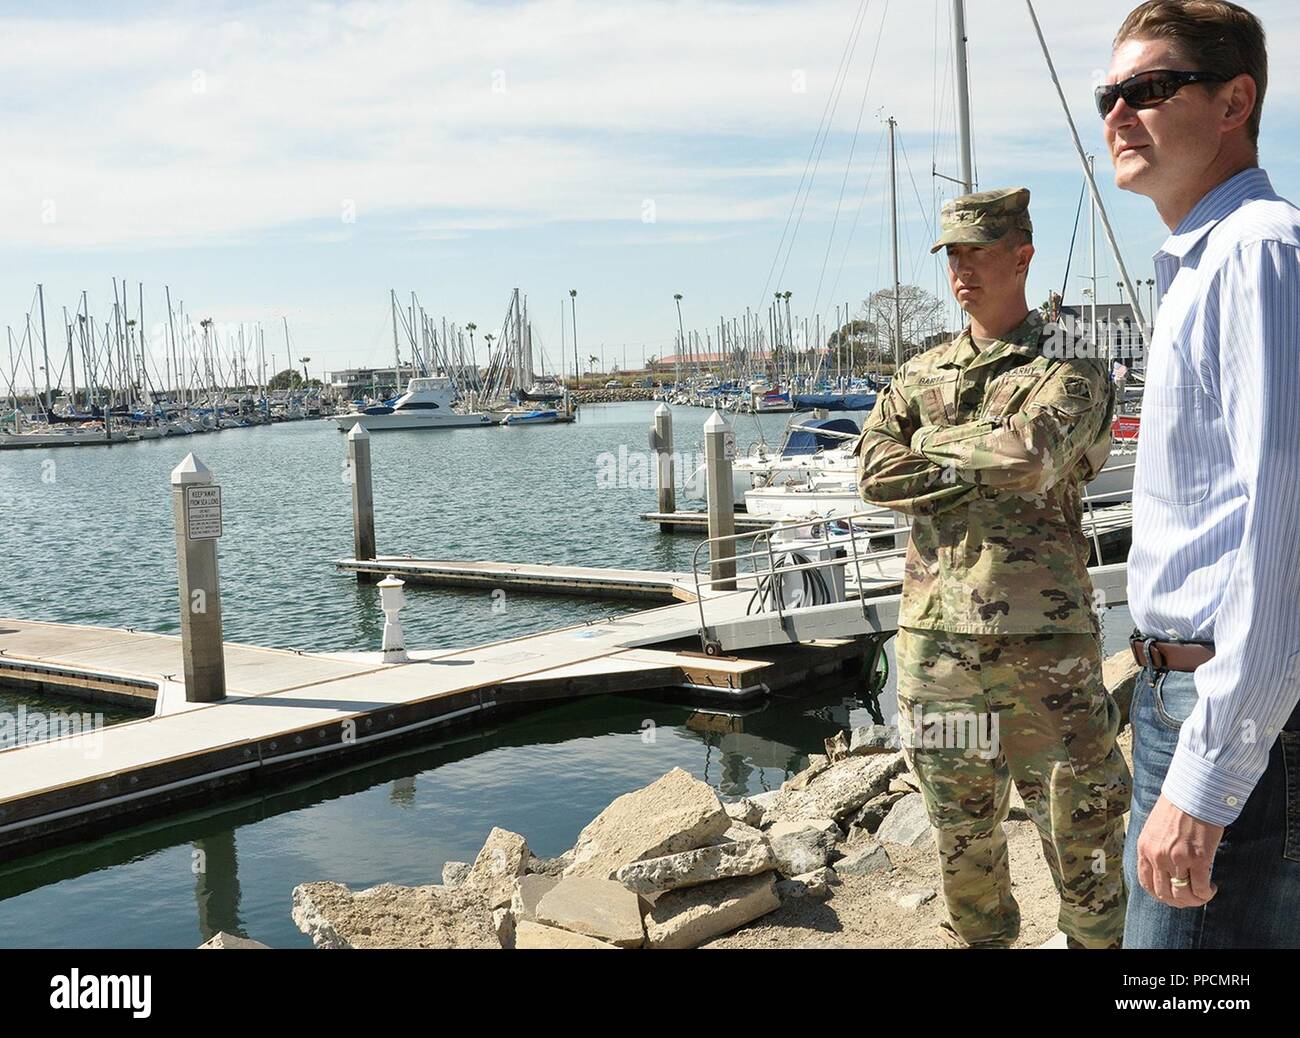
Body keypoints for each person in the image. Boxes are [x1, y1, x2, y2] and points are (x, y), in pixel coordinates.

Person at [854, 187, 1129, 948]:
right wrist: (985, 447)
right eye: (953, 255)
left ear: (1022, 256)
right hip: (937, 645)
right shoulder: (919, 372)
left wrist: (934, 447)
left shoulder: (1072, 367)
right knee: (960, 835)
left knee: (1082, 828)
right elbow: (874, 472)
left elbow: (1033, 455)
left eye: (979, 252)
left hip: (1047, 651)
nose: (962, 270)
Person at [1100, 0, 1300, 948]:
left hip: (1225, 715)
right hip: (1177, 699)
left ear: (1235, 102)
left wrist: (1210, 777)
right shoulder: (1200, 264)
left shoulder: (1259, 254)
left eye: (1149, 88)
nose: (1118, 114)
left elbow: (1285, 534)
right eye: (1110, 94)